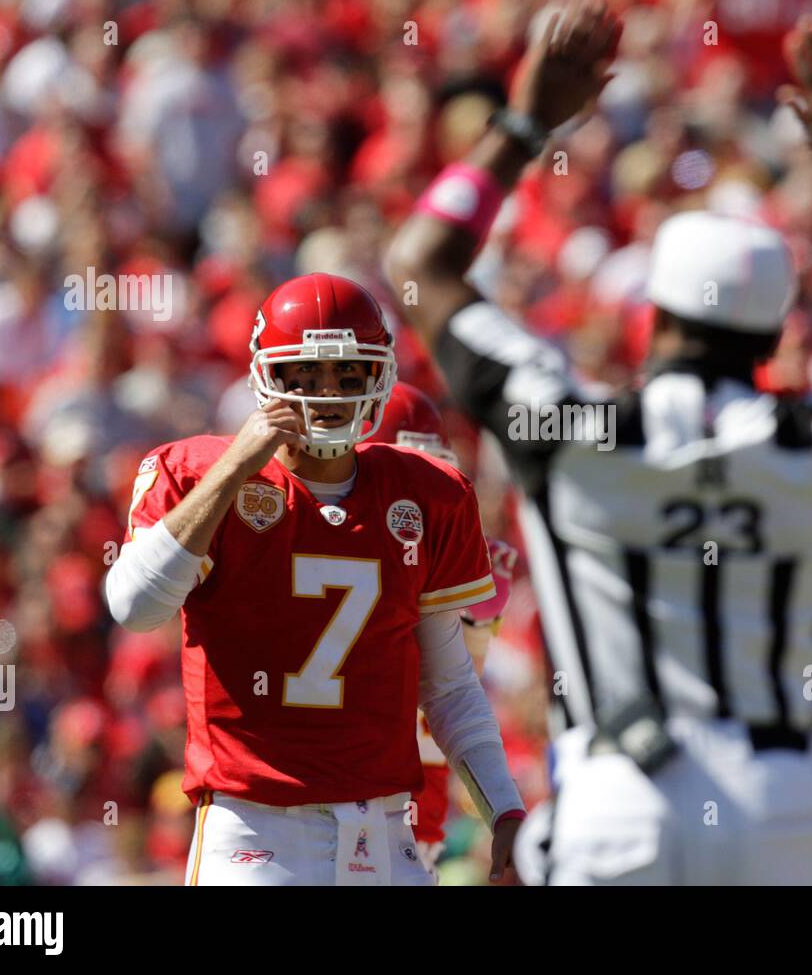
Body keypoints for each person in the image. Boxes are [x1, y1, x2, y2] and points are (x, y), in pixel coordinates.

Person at [384, 0, 812, 884]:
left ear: (653, 315)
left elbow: (420, 263)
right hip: (777, 804)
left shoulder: (566, 429)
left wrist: (522, 125)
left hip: (616, 803)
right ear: (774, 337)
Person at [103, 273, 524, 886]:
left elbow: (450, 685)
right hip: (254, 830)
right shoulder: (200, 473)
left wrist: (505, 811)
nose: (327, 393)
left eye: (348, 374)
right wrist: (235, 469)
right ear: (267, 375)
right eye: (306, 373)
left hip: (386, 828)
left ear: (379, 376)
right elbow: (133, 606)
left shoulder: (427, 492)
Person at [359, 380, 518, 873]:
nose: (422, 485)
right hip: (346, 801)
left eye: (432, 466)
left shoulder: (454, 551)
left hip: (413, 812)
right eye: (411, 466)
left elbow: (454, 677)